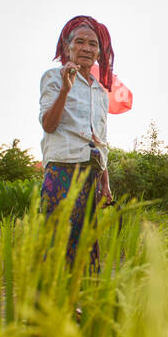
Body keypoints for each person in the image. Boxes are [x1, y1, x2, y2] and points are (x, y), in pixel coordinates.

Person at [39, 15, 116, 271]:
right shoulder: (53, 77)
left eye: (93, 44)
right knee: (55, 239)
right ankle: (46, 304)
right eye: (80, 42)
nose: (86, 48)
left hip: (91, 173)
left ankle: (78, 303)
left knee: (84, 242)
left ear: (99, 53)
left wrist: (105, 179)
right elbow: (49, 125)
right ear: (67, 47)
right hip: (62, 167)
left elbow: (101, 139)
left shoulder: (100, 91)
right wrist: (65, 89)